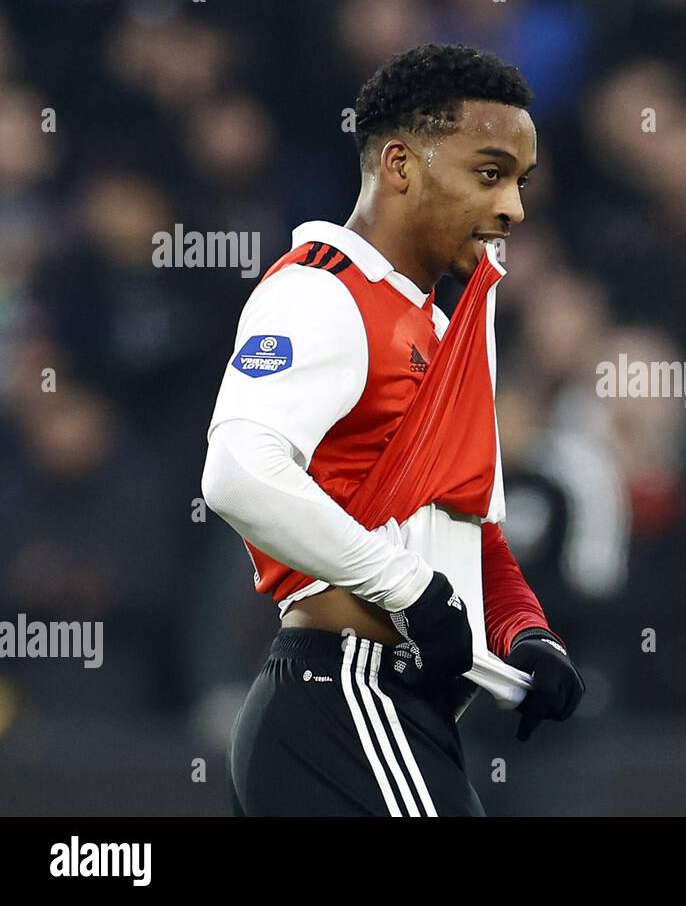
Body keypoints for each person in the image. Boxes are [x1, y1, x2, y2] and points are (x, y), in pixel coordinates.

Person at [202, 42, 584, 817]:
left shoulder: (445, 326)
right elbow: (237, 471)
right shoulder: (321, 291)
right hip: (346, 698)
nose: (513, 206)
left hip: (393, 712)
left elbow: (475, 536)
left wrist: (527, 636)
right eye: (490, 172)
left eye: (520, 181)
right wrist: (410, 590)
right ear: (402, 165)